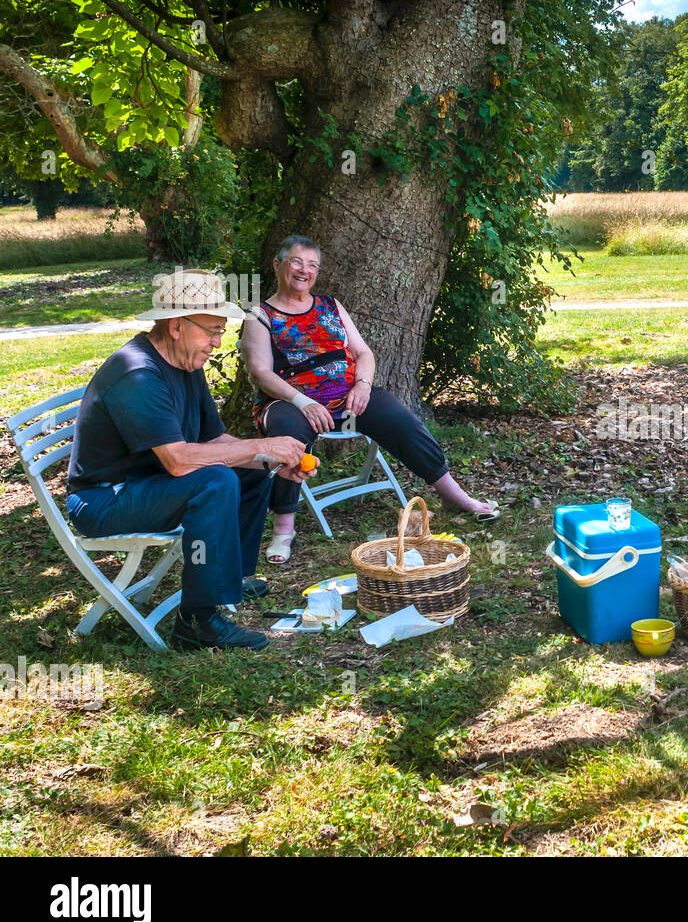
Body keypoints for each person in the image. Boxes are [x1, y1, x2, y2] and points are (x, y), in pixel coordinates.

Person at [65, 269, 316, 652]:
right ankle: (197, 622)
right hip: (103, 499)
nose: (217, 342)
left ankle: (228, 578)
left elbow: (215, 440)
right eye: (211, 331)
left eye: (221, 332)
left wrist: (271, 460)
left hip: (145, 484)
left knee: (247, 473)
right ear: (177, 325)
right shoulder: (139, 373)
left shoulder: (185, 363)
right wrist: (261, 448)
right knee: (216, 481)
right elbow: (180, 461)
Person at [242, 235, 498, 564]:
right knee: (287, 436)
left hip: (349, 398)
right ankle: (283, 527)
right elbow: (261, 372)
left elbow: (363, 352)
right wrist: (302, 402)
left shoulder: (331, 306)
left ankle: (454, 496)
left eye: (312, 265)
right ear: (277, 265)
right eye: (296, 262)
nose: (304, 270)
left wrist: (362, 385)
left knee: (400, 421)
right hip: (292, 402)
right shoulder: (259, 316)